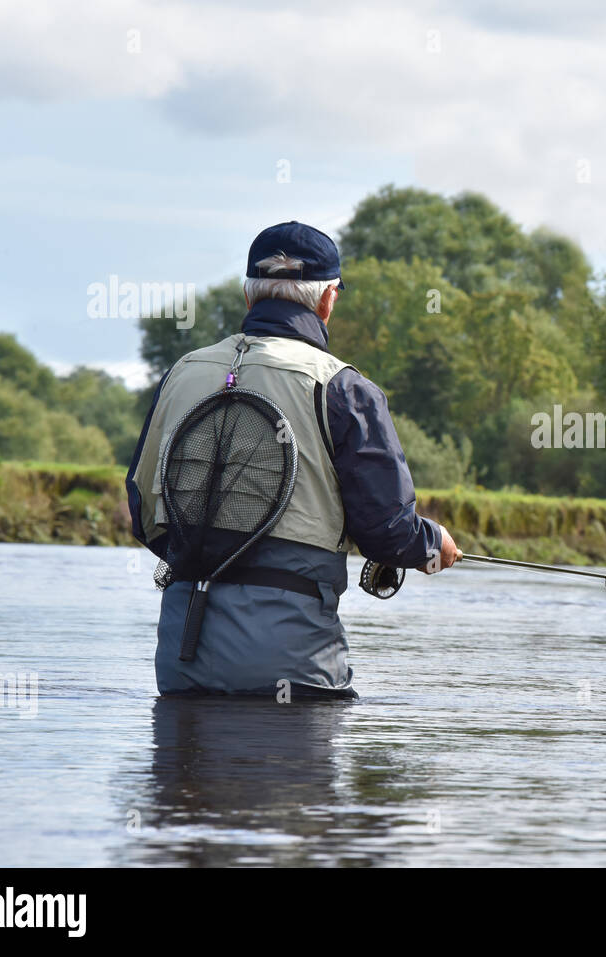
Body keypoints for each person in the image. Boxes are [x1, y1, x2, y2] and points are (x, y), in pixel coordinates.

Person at [126, 221, 460, 697]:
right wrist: (433, 544)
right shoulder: (343, 387)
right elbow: (388, 534)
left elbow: (142, 514)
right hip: (294, 669)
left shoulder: (182, 373)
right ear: (328, 301)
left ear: (249, 298)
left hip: (183, 663)